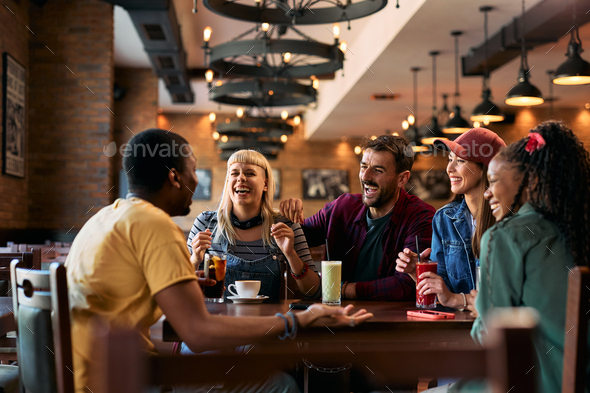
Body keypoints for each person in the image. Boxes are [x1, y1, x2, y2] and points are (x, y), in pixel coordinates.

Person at [65, 129, 372, 393]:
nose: (196, 180)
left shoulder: (105, 217)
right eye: (193, 171)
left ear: (266, 183)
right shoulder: (156, 225)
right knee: (284, 386)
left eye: (250, 173)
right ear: (174, 177)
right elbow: (197, 334)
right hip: (123, 378)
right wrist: (296, 320)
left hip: (84, 371)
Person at [430, 121, 590, 393]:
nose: (488, 193)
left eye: (492, 181)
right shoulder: (577, 230)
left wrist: (478, 306)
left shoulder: (505, 236)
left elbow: (488, 339)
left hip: (524, 383)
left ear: (529, 181)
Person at [280, 135, 435, 301]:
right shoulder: (342, 207)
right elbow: (296, 238)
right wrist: (286, 217)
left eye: (378, 170)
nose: (365, 177)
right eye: (364, 167)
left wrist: (343, 290)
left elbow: (407, 285)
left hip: (394, 321)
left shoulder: (421, 216)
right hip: (338, 317)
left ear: (402, 178)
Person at [187, 149, 321, 302]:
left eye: (250, 173)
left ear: (265, 184)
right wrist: (195, 259)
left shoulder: (285, 225)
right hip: (216, 322)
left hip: (269, 324)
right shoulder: (206, 223)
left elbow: (314, 293)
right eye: (234, 173)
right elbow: (177, 287)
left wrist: (291, 254)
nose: (241, 178)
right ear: (228, 182)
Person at [395, 128, 505, 310]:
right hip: (456, 328)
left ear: (487, 168)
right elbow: (442, 291)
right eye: (449, 160)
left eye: (460, 161)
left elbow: (513, 296)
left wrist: (456, 300)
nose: (449, 169)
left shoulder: (511, 223)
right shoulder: (444, 218)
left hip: (501, 329)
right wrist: (419, 271)